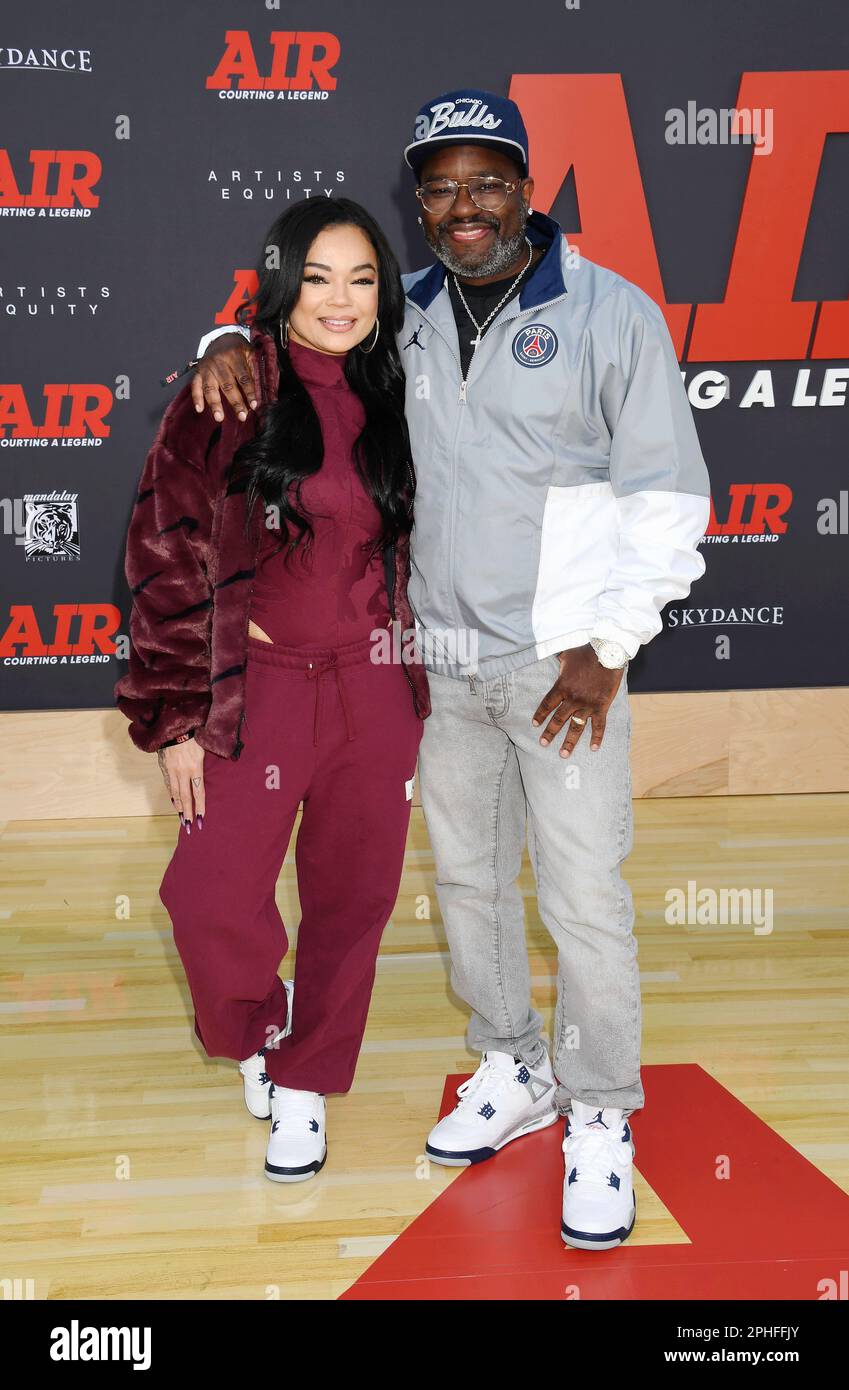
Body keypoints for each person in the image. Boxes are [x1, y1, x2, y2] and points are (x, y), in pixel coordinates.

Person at [187, 88, 711, 1248]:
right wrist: (222, 339)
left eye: (488, 182)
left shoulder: (610, 313)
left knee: (582, 896)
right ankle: (513, 1066)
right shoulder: (402, 314)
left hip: (565, 666)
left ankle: (602, 1115)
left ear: (530, 186)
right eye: (441, 187)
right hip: (435, 661)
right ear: (415, 203)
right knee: (468, 888)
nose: (465, 207)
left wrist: (609, 647)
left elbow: (670, 501)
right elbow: (291, 342)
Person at [115, 198, 430, 1184]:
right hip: (259, 690)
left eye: (363, 278)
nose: (341, 300)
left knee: (354, 898)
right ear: (283, 281)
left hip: (376, 689)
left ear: (386, 291)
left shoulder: (408, 385)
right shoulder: (234, 383)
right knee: (208, 896)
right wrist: (176, 720)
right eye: (320, 277)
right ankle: (255, 1027)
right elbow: (165, 552)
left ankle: (307, 1081)